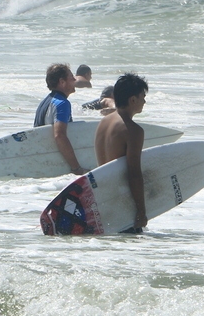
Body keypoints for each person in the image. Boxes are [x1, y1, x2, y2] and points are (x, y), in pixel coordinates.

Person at [94, 73, 149, 232]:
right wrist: (141, 210)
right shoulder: (133, 130)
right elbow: (134, 173)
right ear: (133, 100)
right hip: (122, 201)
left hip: (103, 198)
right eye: (143, 97)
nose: (144, 102)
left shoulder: (103, 122)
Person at [33, 63, 85, 176]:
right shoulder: (62, 104)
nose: (75, 80)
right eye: (71, 77)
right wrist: (76, 168)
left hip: (41, 160)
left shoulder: (44, 102)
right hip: (54, 164)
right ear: (62, 82)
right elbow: (59, 135)